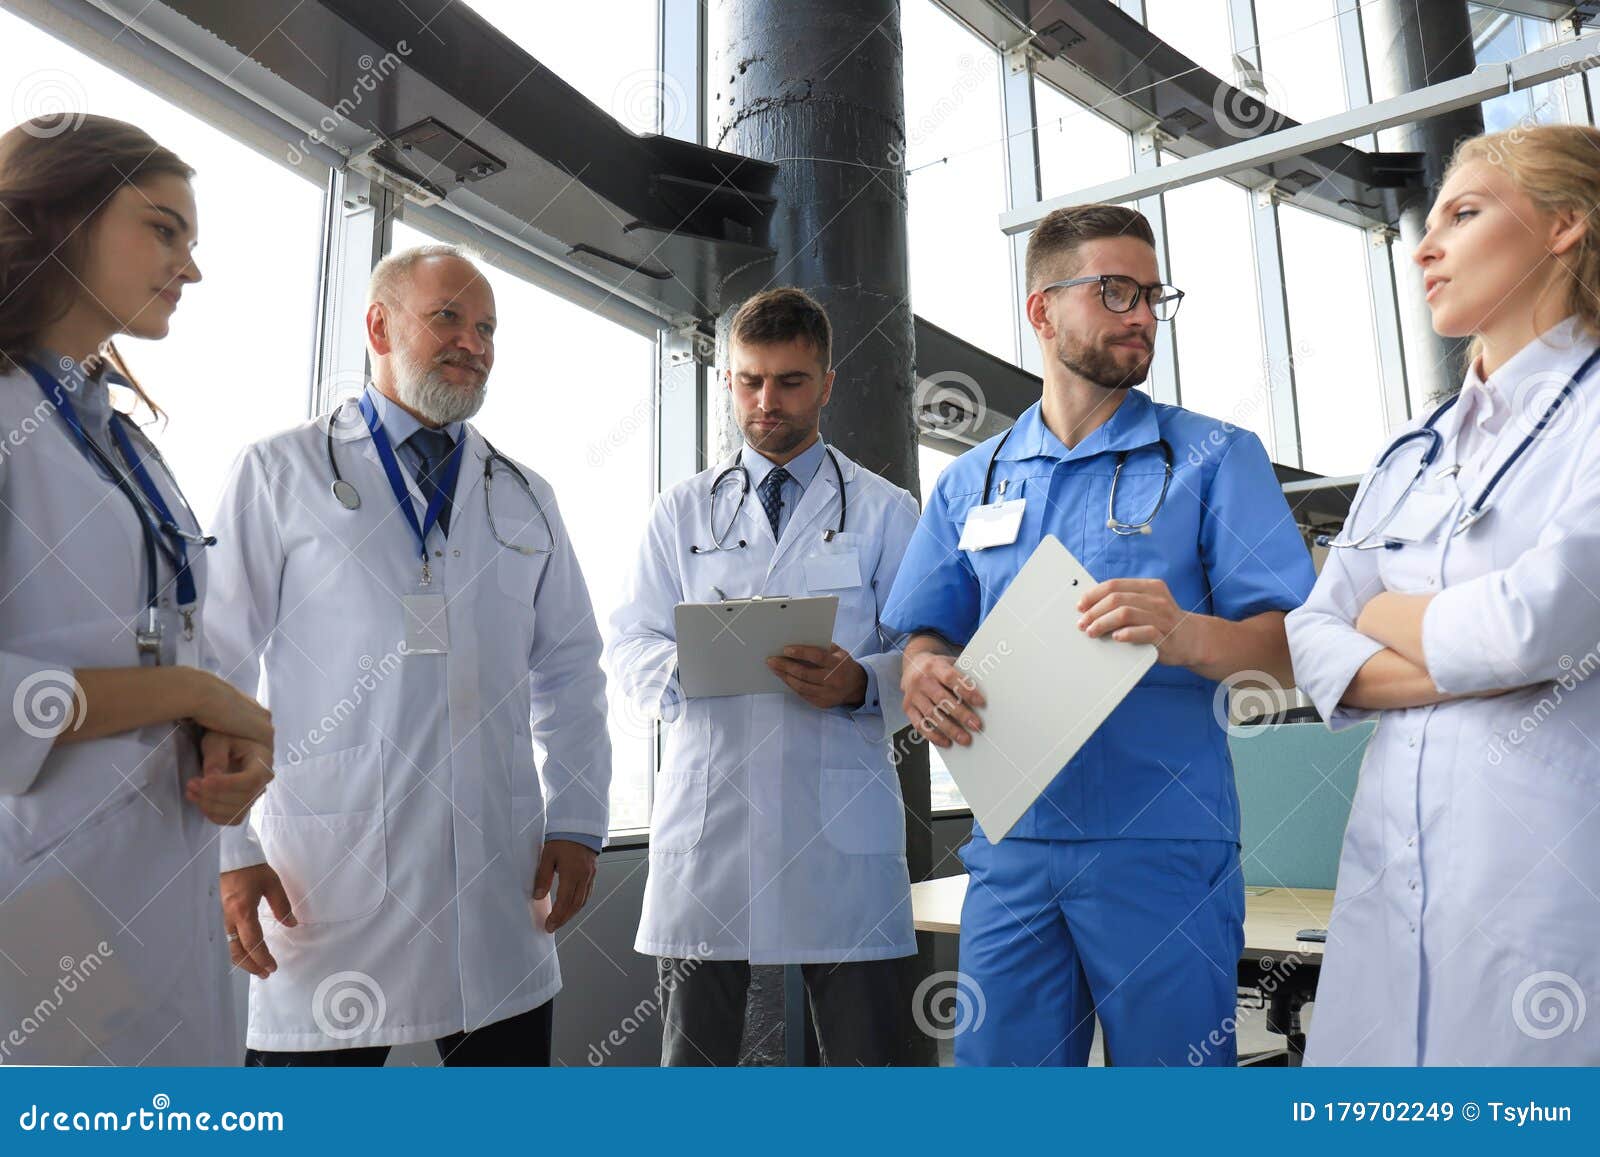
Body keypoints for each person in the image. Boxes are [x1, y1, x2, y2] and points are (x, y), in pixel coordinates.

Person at [882, 204, 1317, 1066]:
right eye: (1116, 291)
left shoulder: (1214, 456)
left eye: (1154, 296)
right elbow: (927, 630)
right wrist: (922, 671)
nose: (1142, 316)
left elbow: (1296, 644)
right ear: (1042, 310)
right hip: (1012, 848)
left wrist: (1186, 633)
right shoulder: (974, 480)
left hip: (1162, 845)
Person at [205, 243, 611, 1066]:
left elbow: (571, 669)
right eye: (449, 318)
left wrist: (577, 818)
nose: (475, 342)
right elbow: (216, 672)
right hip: (329, 881)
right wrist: (230, 851)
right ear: (378, 325)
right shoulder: (279, 472)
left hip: (498, 882)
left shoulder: (525, 494)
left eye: (489, 327)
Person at [1286, 124, 1600, 1066]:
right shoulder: (1411, 448)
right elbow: (1311, 631)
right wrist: (1471, 657)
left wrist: (1385, 614)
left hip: (1545, 889)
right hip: (1391, 883)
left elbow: (1539, 620)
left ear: (1565, 226)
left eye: (1463, 214)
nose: (1425, 244)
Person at [0, 115, 274, 1065]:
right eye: (164, 229)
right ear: (59, 216)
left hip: (162, 893)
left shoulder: (118, 436)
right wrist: (196, 695)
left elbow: (146, 635)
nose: (188, 268)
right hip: (40, 918)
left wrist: (218, 733)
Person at [606, 287, 922, 1065]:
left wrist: (860, 683)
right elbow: (628, 642)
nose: (766, 400)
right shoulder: (679, 512)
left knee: (865, 1064)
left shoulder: (885, 511)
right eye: (749, 380)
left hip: (836, 825)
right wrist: (691, 663)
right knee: (697, 1068)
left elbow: (929, 652)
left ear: (826, 382)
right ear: (728, 382)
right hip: (713, 822)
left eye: (788, 381)